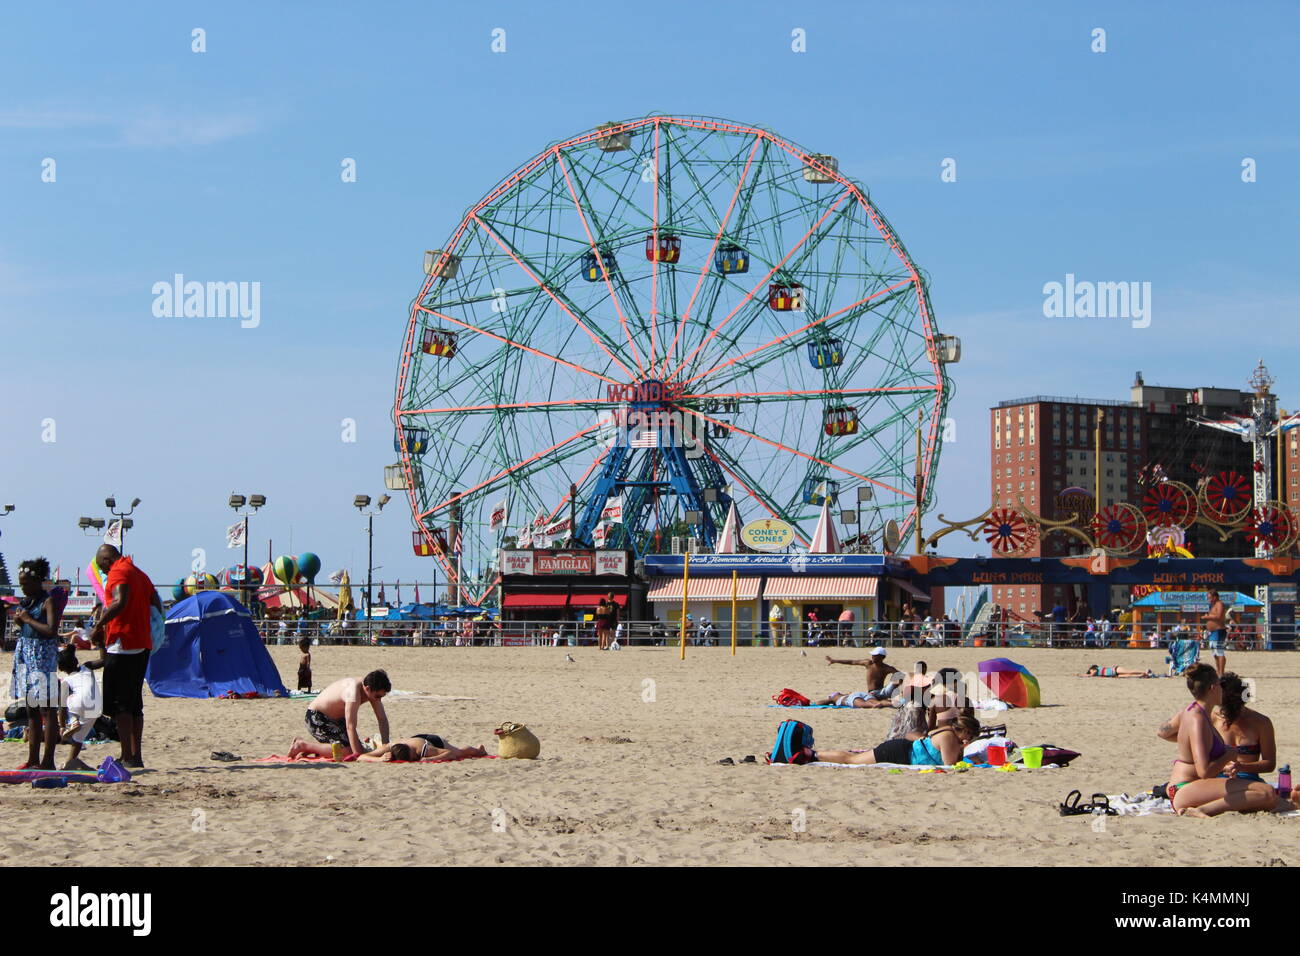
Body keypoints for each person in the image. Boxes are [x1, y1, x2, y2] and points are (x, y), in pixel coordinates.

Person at [1159, 663, 1275, 817]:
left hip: (1188, 787)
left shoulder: (1192, 711)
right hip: (1186, 788)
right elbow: (1204, 771)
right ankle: (1201, 810)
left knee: (1268, 797)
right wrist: (1229, 755)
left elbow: (1163, 732)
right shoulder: (1199, 719)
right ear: (1213, 688)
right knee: (1266, 793)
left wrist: (1189, 742)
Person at [88, 545, 160, 769]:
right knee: (134, 702)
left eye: (102, 568)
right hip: (142, 642)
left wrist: (99, 625)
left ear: (108, 560)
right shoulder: (139, 573)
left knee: (120, 704)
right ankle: (136, 756)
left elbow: (120, 601)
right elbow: (156, 602)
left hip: (123, 642)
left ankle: (127, 755)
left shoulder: (119, 572)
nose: (104, 573)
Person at [10, 558, 62, 770]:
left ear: (38, 581)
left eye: (26, 583)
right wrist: (20, 620)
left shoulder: (47, 601)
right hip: (26, 654)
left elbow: (51, 630)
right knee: (31, 708)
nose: (23, 587)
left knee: (47, 709)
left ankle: (48, 760)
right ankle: (33, 758)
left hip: (42, 655)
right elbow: (24, 626)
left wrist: (29, 620)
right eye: (20, 584)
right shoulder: (27, 602)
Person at [288, 670, 391, 758]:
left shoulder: (371, 690)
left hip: (335, 720)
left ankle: (310, 749)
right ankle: (302, 745)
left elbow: (382, 719)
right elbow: (350, 726)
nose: (379, 699)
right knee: (347, 752)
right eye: (377, 696)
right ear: (368, 688)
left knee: (353, 746)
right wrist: (358, 755)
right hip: (316, 717)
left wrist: (385, 746)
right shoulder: (353, 693)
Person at [808, 715, 981, 767]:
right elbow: (950, 765)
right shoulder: (949, 737)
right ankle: (813, 755)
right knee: (851, 760)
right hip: (899, 753)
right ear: (965, 731)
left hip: (901, 750)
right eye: (970, 736)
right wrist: (963, 749)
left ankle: (816, 754)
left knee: (852, 757)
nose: (969, 739)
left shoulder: (945, 730)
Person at [57, 644, 104, 771]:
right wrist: (101, 645)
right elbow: (104, 660)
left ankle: (73, 722)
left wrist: (62, 726)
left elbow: (62, 708)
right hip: (96, 707)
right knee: (79, 738)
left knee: (67, 702)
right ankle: (70, 761)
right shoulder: (87, 667)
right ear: (76, 661)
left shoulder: (66, 681)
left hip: (78, 704)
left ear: (60, 668)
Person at [356, 734, 487, 762]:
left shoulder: (422, 750)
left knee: (459, 752)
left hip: (433, 741)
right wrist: (379, 759)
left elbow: (449, 754)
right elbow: (361, 757)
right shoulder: (390, 746)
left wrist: (430, 759)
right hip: (415, 738)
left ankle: (478, 749)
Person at [1201, 589, 1229, 678]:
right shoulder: (1213, 605)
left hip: (1219, 631)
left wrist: (1207, 616)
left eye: (1210, 598)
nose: (1209, 599)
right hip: (1213, 632)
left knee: (1219, 652)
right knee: (1215, 653)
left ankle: (1221, 673)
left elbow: (1219, 616)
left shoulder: (1219, 604)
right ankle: (1218, 671)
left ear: (1215, 597)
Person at [1084, 664, 1156, 678]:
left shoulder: (1095, 670)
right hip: (1114, 675)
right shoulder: (1097, 673)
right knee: (1129, 676)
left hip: (1115, 670)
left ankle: (1144, 671)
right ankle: (1142, 675)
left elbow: (1091, 674)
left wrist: (1082, 675)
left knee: (1129, 672)